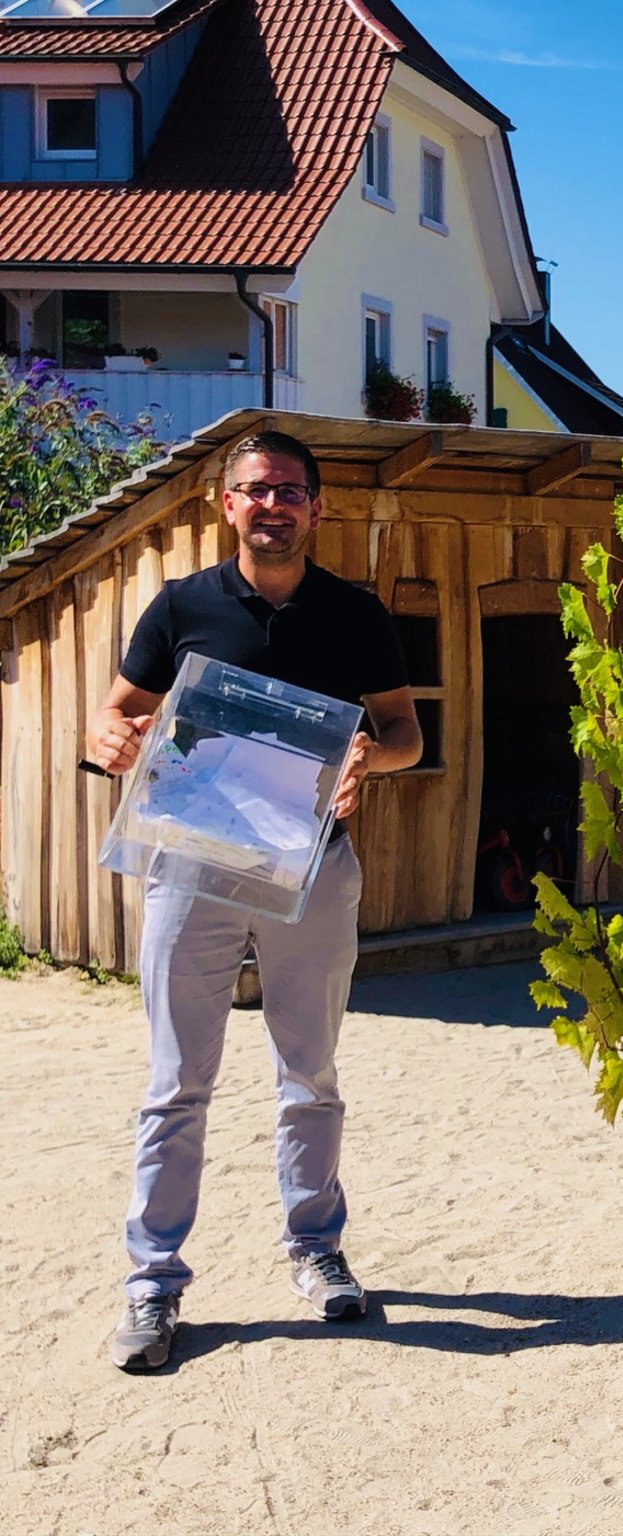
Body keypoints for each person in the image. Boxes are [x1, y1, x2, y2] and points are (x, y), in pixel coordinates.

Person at [89, 430, 421, 1372]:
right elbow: (112, 710)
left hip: (314, 867)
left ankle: (316, 1249)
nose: (271, 505)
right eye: (254, 490)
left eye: (289, 491)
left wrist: (367, 755)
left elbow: (403, 733)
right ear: (224, 505)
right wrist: (116, 739)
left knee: (309, 1075)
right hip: (189, 866)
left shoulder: (356, 614)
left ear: (318, 508)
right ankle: (153, 1284)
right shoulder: (181, 606)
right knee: (174, 1083)